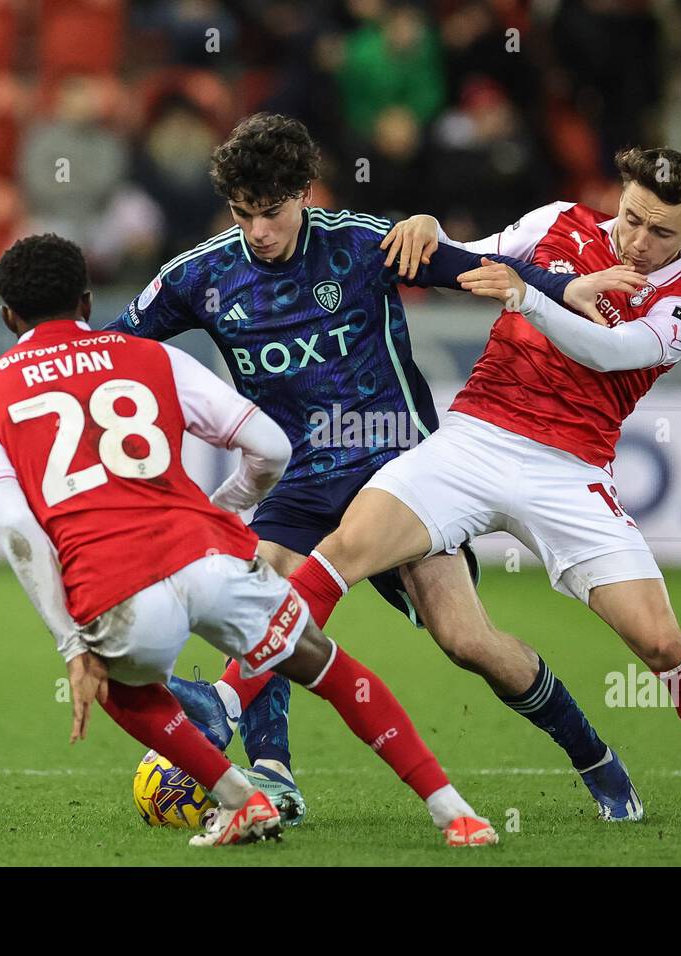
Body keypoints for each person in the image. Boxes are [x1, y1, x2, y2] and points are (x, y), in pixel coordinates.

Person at [263, 146, 681, 825]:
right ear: (616, 197)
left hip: (570, 472)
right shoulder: (557, 222)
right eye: (631, 219)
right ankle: (232, 707)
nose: (639, 241)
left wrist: (527, 295)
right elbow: (464, 257)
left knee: (659, 642)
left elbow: (607, 350)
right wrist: (425, 225)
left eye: (663, 232)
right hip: (473, 439)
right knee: (342, 552)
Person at [103, 112, 645, 822]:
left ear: (305, 193)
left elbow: (472, 267)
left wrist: (555, 287)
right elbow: (110, 350)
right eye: (244, 216)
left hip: (398, 468)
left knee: (466, 641)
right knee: (259, 596)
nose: (258, 231)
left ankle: (593, 757)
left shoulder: (361, 246)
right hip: (298, 478)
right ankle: (273, 772)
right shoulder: (200, 276)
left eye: (271, 213)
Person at [0, 233, 496, 848]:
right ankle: (455, 813)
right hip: (211, 559)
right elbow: (270, 447)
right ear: (85, 301)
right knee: (327, 665)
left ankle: (239, 798)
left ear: (6, 316)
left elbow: (21, 533)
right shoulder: (151, 358)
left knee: (122, 691)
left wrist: (72, 645)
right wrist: (226, 509)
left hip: (120, 592)